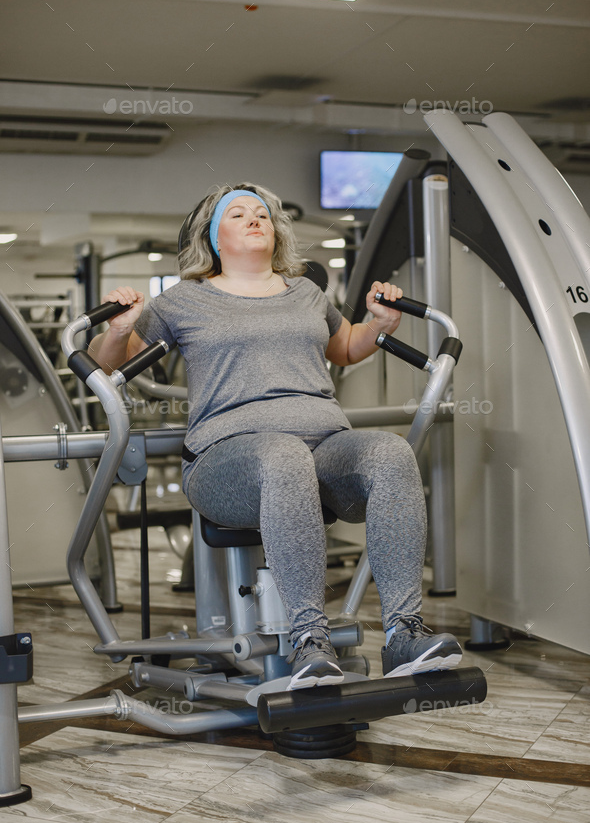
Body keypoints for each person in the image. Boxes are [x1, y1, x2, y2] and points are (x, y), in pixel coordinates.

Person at [89, 182, 462, 690]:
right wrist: (118, 329)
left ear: (276, 229)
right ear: (213, 237)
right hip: (225, 459)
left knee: (390, 453)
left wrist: (382, 323)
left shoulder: (305, 292)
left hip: (325, 447)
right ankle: (310, 638)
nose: (253, 218)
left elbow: (345, 347)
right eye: (238, 213)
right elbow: (110, 364)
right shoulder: (182, 300)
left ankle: (403, 632)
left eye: (262, 213)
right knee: (284, 456)